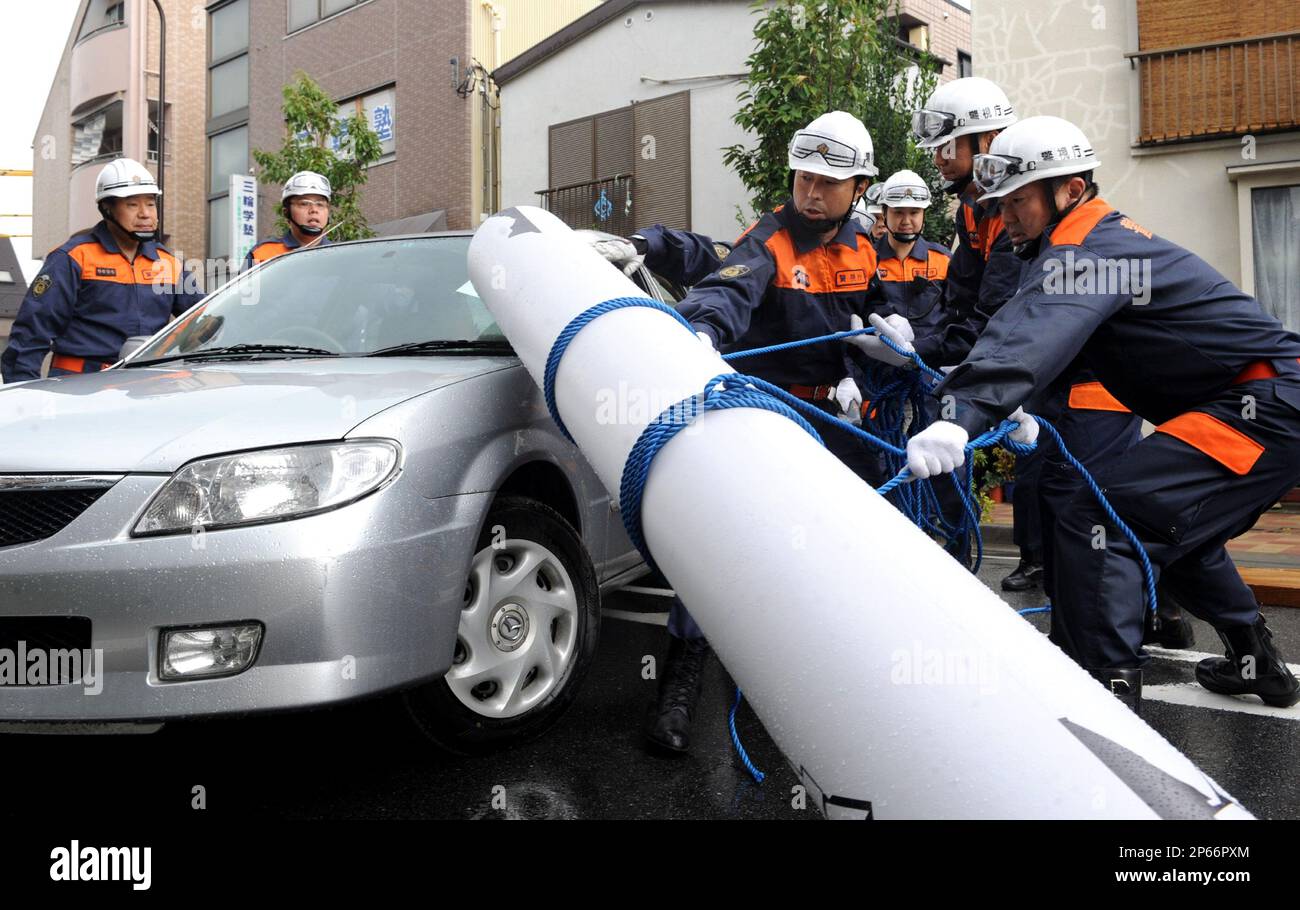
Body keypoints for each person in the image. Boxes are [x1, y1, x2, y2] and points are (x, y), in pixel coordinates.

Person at [902, 115, 1300, 712]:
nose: (1004, 217)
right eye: (999, 204)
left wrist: (962, 414)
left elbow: (1030, 331)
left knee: (1104, 512)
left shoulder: (1087, 249)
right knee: (1172, 526)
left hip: (1267, 405)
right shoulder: (1084, 245)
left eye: (1018, 202)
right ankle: (1256, 663)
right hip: (1261, 403)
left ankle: (1104, 706)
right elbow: (1044, 338)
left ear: (1070, 190)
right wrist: (1020, 408)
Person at [602, 111, 901, 754]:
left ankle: (822, 680)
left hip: (841, 422)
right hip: (765, 416)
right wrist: (701, 333)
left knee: (843, 551)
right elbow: (727, 288)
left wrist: (879, 354)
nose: (811, 192)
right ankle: (679, 688)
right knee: (720, 543)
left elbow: (881, 313)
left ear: (858, 190)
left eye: (828, 182)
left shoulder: (864, 248)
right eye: (804, 178)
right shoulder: (769, 240)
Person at [1, 158, 202, 383]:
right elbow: (32, 332)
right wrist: (23, 394)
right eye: (132, 205)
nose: (145, 214)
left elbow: (204, 322)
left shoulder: (169, 264)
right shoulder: (73, 258)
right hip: (76, 385)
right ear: (107, 209)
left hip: (145, 387)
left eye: (150, 203)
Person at [243, 170, 334, 271]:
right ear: (286, 212)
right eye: (304, 203)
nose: (314, 210)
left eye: (320, 204)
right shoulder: (261, 253)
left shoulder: (341, 253)